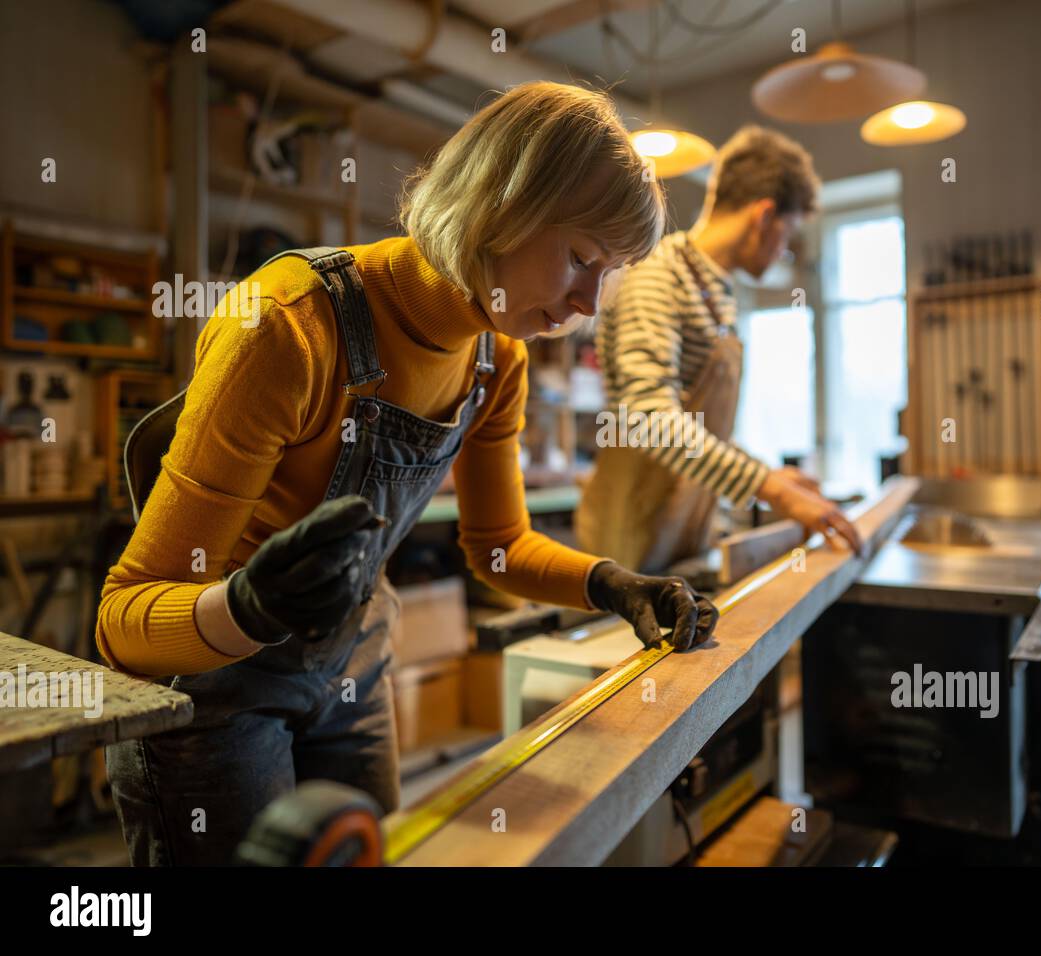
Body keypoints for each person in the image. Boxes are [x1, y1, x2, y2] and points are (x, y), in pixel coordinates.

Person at [97, 82, 718, 866]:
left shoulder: (497, 360)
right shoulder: (288, 326)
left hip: (354, 661)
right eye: (581, 260)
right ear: (504, 205)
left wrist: (614, 584)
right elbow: (122, 623)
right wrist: (249, 609)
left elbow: (497, 548)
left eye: (610, 274)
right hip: (218, 686)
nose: (587, 305)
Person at [575, 125, 862, 572]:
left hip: (683, 528)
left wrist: (762, 471)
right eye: (787, 234)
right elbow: (648, 421)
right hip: (630, 535)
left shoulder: (716, 290)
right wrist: (773, 489)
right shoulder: (659, 276)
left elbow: (699, 428)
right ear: (764, 215)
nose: (784, 250)